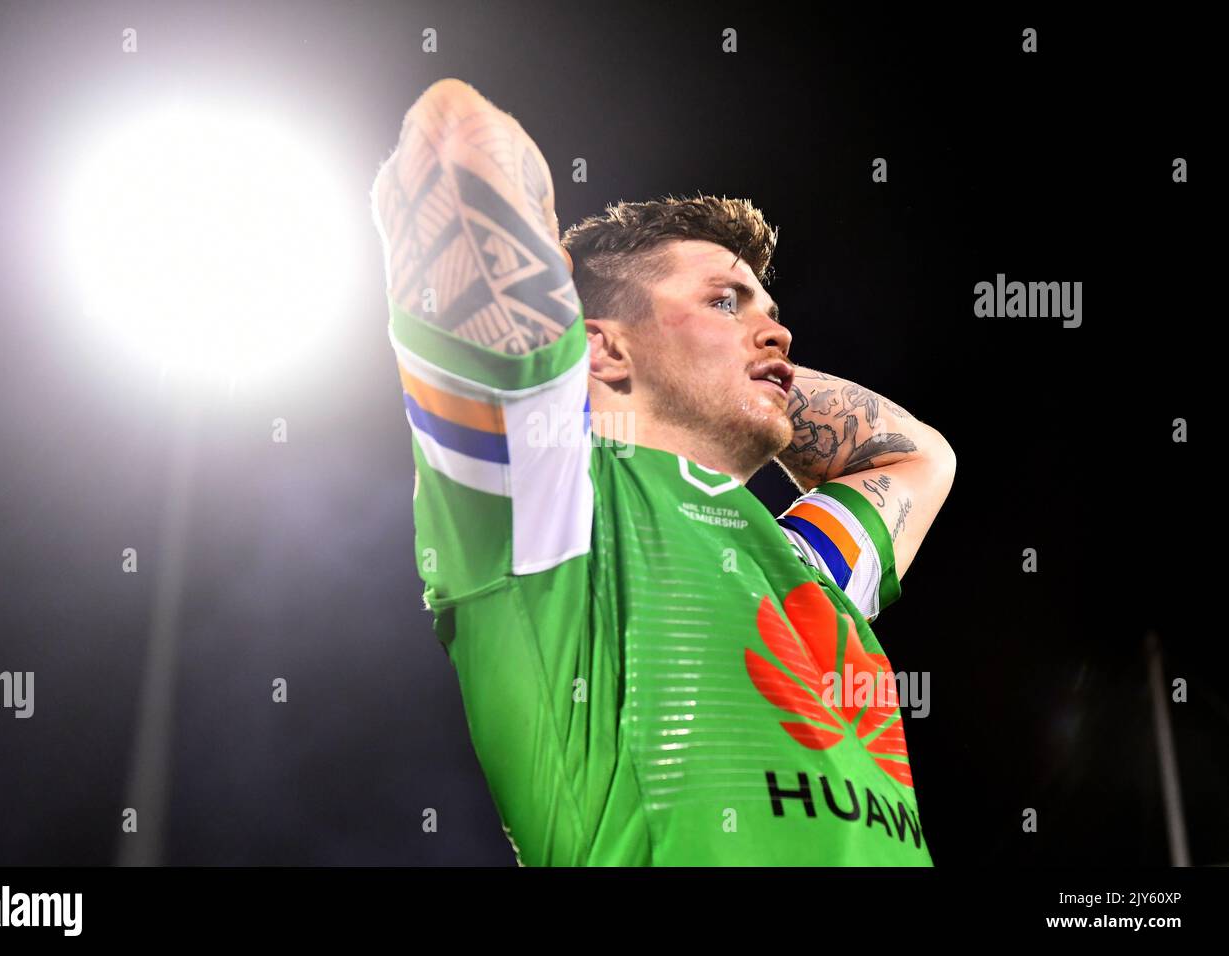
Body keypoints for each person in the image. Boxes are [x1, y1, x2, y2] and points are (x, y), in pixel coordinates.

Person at [370, 77, 956, 865]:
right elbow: (454, 138)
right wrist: (563, 315)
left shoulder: (806, 567)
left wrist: (741, 359)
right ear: (603, 347)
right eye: (727, 302)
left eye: (771, 313)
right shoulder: (553, 502)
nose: (776, 333)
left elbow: (915, 456)